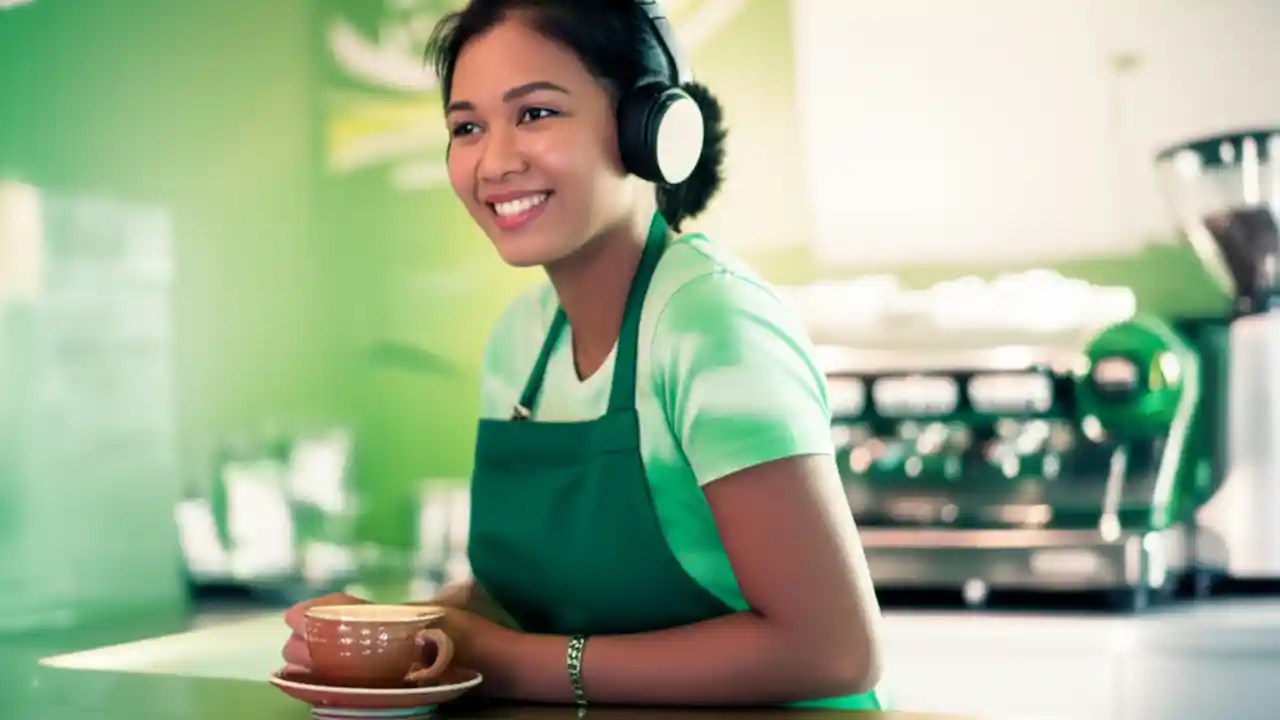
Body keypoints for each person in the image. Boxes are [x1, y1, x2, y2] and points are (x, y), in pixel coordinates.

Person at [284, 0, 884, 709]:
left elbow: (833, 651)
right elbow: (535, 601)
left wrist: (503, 663)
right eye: (467, 127)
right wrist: (405, 634)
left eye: (535, 113)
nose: (496, 161)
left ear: (648, 128)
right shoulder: (521, 338)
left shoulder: (713, 323)